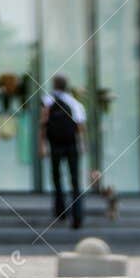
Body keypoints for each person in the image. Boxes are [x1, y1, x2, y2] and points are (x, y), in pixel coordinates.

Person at [40, 75, 86, 229]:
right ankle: (77, 216)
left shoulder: (47, 100)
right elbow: (80, 127)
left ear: (54, 85)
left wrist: (42, 145)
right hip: (72, 144)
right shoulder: (75, 103)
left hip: (55, 145)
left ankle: (60, 210)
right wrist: (82, 145)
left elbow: (43, 124)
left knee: (56, 176)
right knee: (75, 180)